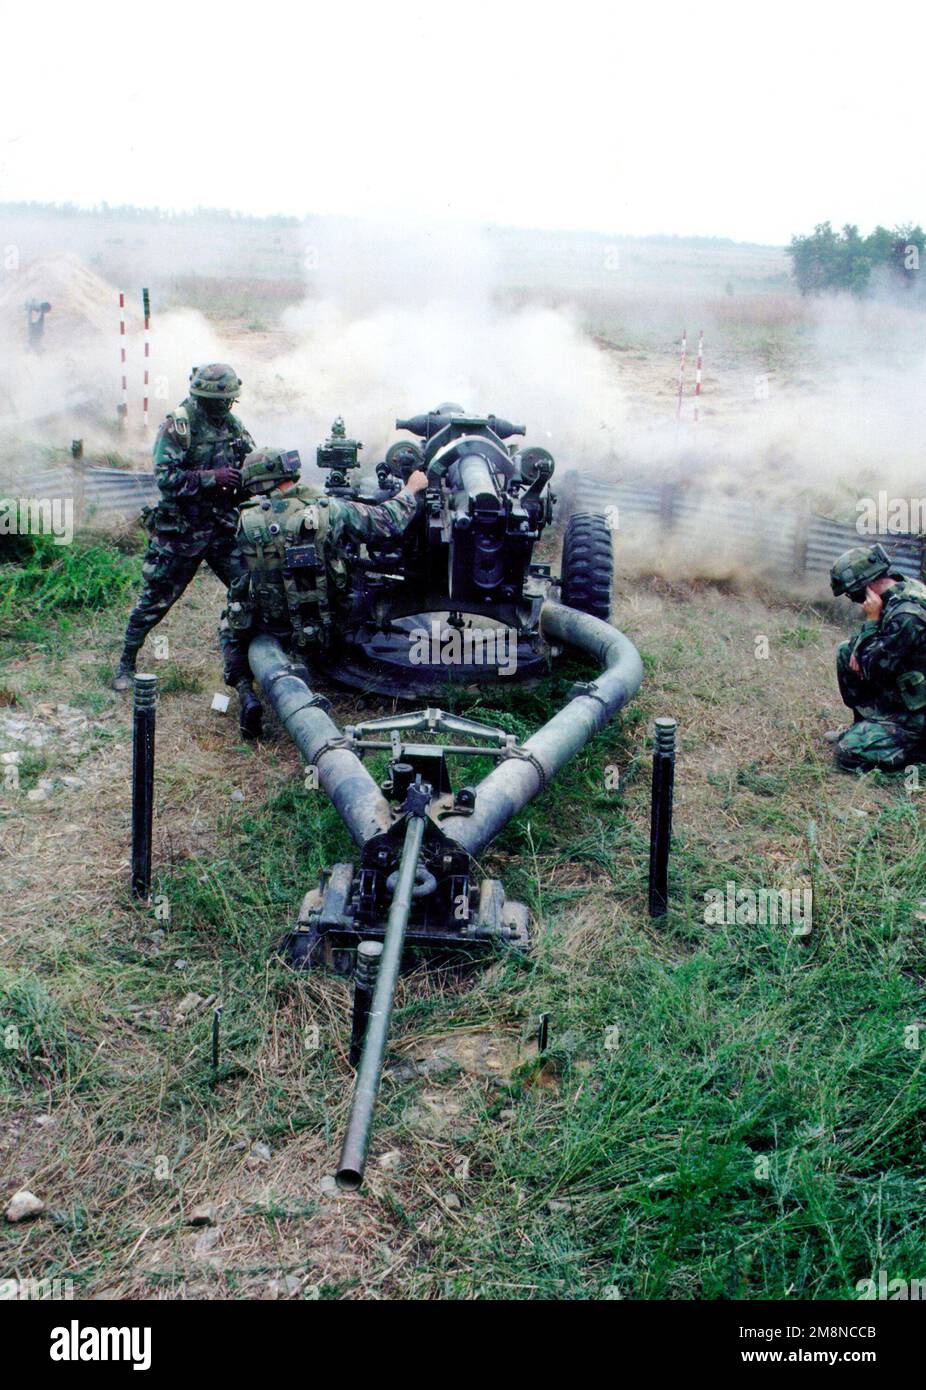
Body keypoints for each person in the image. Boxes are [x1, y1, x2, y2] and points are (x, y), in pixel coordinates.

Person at [220, 446, 428, 737]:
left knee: (230, 620)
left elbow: (244, 577)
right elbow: (387, 521)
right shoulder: (330, 510)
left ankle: (246, 691)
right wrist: (411, 489)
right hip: (329, 628)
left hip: (276, 626)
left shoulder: (247, 521)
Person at [112, 364, 255, 690]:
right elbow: (166, 479)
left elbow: (249, 457)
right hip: (182, 531)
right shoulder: (179, 425)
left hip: (221, 527)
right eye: (216, 401)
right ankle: (126, 663)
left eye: (227, 400)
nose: (223, 406)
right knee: (155, 600)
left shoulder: (230, 424)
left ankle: (248, 658)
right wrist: (212, 478)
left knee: (250, 586)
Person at [829, 543, 926, 772]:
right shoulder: (901, 590)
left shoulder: (906, 616)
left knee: (847, 755)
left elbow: (872, 669)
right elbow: (862, 654)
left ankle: (916, 751)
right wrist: (861, 645)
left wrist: (871, 621)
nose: (853, 599)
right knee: (846, 651)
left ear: (865, 587)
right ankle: (865, 724)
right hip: (908, 693)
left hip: (917, 717)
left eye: (852, 594)